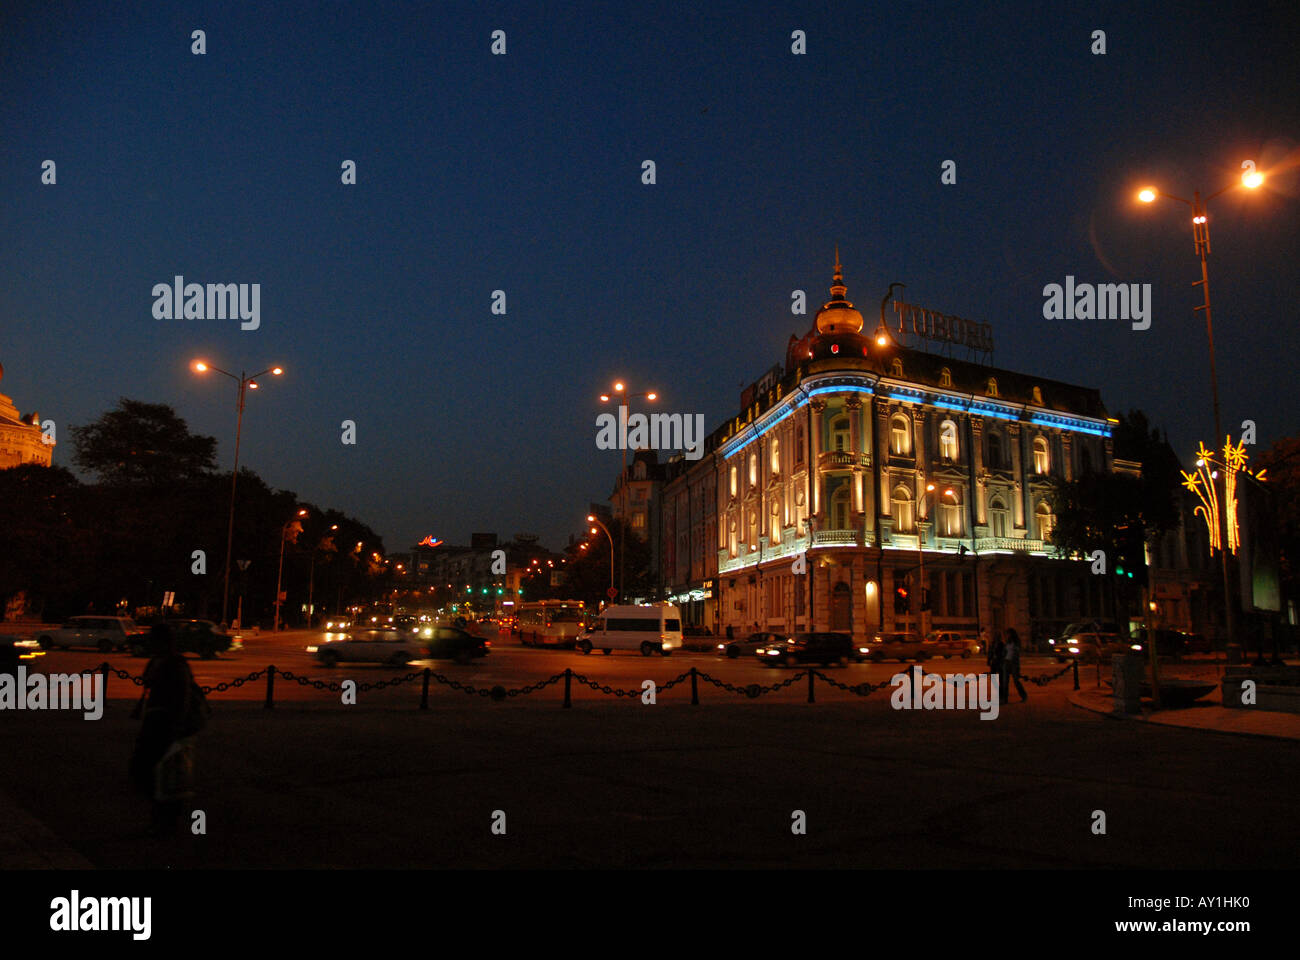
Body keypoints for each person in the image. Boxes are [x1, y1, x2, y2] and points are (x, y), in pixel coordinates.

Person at [129, 624, 203, 835]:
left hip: (166, 723)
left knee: (163, 772)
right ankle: (163, 819)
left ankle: (165, 821)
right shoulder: (160, 660)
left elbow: (182, 698)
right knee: (152, 771)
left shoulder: (175, 664)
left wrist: (176, 727)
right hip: (155, 720)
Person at [1003, 627, 1028, 702]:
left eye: (1008, 633)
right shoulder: (1007, 642)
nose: (1007, 635)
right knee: (1005, 681)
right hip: (1007, 661)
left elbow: (1017, 652)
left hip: (1014, 662)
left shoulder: (1016, 642)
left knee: (1016, 681)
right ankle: (1005, 698)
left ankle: (1024, 696)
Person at [986, 630, 1005, 702]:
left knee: (1001, 680)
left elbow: (1003, 654)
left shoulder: (1002, 644)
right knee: (994, 680)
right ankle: (996, 695)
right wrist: (988, 660)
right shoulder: (993, 644)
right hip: (994, 663)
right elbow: (990, 652)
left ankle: (1001, 696)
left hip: (999, 663)